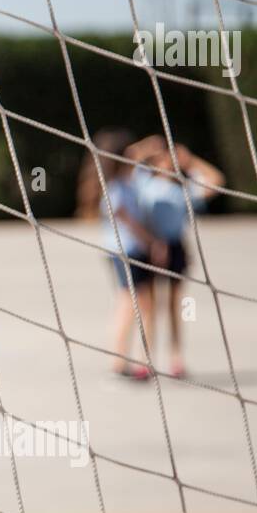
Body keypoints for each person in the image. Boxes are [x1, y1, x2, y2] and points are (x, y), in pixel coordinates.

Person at [128, 136, 224, 378]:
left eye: (172, 158)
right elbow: (125, 160)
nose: (168, 162)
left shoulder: (184, 187)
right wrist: (147, 148)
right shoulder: (142, 182)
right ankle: (144, 359)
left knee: (175, 305)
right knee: (148, 306)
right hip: (148, 245)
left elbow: (216, 181)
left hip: (175, 246)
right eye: (164, 158)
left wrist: (190, 160)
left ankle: (176, 358)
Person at [77, 129, 162, 379]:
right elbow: (127, 220)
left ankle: (136, 361)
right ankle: (121, 362)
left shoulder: (126, 179)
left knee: (141, 306)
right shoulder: (114, 187)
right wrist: (152, 242)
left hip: (129, 252)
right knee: (129, 306)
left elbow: (133, 156)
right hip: (127, 252)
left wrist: (146, 146)